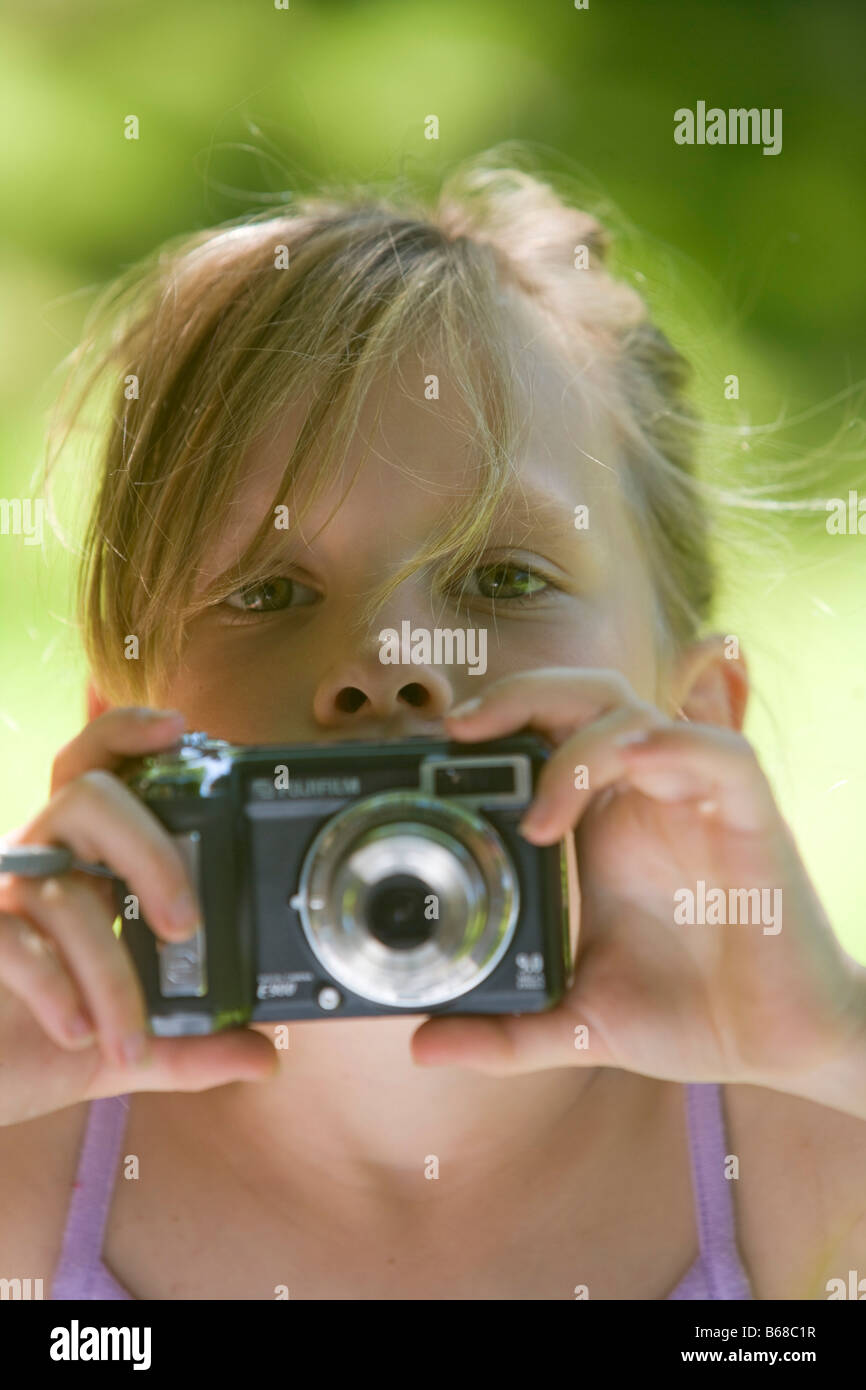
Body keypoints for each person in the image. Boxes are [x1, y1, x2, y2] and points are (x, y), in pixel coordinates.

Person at [1, 154, 864, 1300]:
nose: (389, 663)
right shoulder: (27, 1175)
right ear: (130, 745)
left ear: (695, 722)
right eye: (264, 593)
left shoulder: (811, 1169)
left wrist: (839, 1044)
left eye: (502, 578)